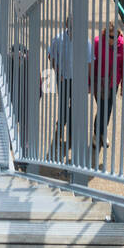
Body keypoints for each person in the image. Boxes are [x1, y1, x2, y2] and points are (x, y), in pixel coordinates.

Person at [47, 19, 92, 160]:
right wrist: (57, 71)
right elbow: (51, 56)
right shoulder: (58, 39)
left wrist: (87, 81)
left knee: (75, 107)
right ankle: (61, 125)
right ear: (67, 26)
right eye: (71, 26)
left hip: (78, 80)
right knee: (63, 104)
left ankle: (71, 133)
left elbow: (89, 61)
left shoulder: (85, 41)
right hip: (63, 78)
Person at [91, 20, 124, 152]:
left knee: (108, 109)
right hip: (99, 81)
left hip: (113, 83)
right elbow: (92, 63)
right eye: (111, 37)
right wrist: (90, 82)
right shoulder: (97, 43)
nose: (114, 39)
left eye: (116, 36)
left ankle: (102, 132)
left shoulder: (121, 44)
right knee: (102, 107)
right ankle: (96, 133)